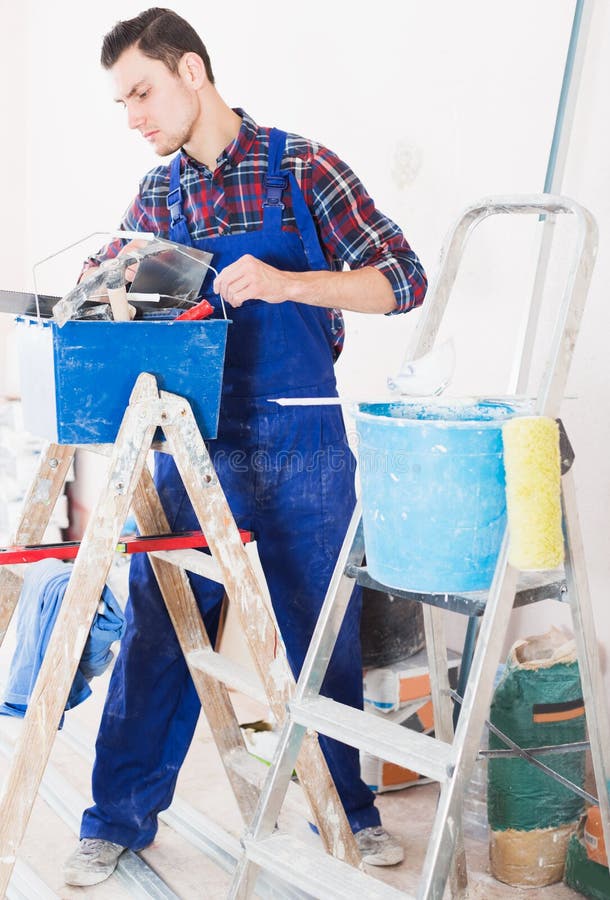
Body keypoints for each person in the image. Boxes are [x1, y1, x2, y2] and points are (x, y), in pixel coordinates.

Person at [63, 7, 427, 887]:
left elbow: (402, 279)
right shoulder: (155, 195)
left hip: (301, 438)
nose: (134, 116)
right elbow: (126, 305)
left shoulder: (302, 166)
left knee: (320, 633)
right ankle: (116, 817)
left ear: (192, 71)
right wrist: (102, 286)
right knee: (161, 628)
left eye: (142, 92)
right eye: (121, 102)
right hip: (191, 441)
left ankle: (348, 812)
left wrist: (288, 282)